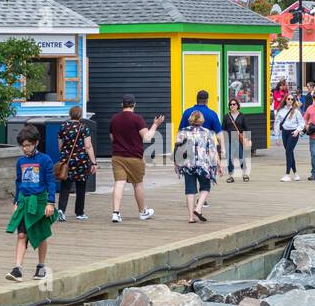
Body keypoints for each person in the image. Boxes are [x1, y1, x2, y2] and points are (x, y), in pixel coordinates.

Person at [6, 124, 57, 280]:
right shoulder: (20, 161)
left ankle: (41, 267)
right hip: (24, 202)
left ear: (36, 143)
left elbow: (51, 182)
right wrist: (16, 200)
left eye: (28, 145)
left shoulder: (45, 160)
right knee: (21, 234)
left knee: (41, 235)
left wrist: (51, 202)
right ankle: (17, 269)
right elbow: (18, 181)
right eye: (23, 146)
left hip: (40, 201)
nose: (25, 148)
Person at [109, 95, 164, 223]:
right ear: (134, 104)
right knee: (137, 185)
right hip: (134, 157)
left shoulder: (114, 119)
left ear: (121, 105)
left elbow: (112, 138)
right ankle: (142, 212)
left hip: (117, 156)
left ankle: (116, 213)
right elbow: (147, 138)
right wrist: (155, 125)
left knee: (119, 183)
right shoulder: (137, 119)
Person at [175, 111, 221, 222]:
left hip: (187, 165)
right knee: (205, 187)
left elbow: (178, 149)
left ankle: (191, 217)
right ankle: (199, 208)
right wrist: (219, 165)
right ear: (201, 120)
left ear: (190, 119)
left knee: (190, 190)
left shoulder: (183, 131)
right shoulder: (207, 133)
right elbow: (213, 151)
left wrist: (176, 163)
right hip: (203, 165)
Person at [56, 105, 96, 221]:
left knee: (65, 186)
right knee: (81, 186)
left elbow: (60, 146)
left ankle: (61, 210)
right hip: (81, 161)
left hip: (67, 161)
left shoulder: (62, 127)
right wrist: (93, 163)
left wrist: (65, 155)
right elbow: (88, 146)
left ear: (70, 114)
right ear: (80, 115)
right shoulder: (84, 127)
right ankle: (79, 212)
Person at [277, 94, 304, 181]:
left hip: (293, 133)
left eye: (292, 99)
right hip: (285, 133)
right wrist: (277, 136)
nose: (290, 100)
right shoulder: (281, 111)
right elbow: (277, 123)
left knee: (288, 152)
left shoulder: (296, 111)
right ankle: (296, 174)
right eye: (288, 99)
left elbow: (302, 123)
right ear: (285, 100)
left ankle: (287, 174)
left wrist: (297, 131)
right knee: (290, 153)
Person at [223, 99, 250, 182]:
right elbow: (223, 129)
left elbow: (246, 128)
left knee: (241, 156)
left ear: (237, 106)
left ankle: (245, 174)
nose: (232, 106)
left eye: (234, 104)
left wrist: (248, 139)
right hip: (229, 139)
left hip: (238, 139)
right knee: (229, 158)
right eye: (230, 104)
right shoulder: (226, 116)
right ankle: (231, 175)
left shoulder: (242, 116)